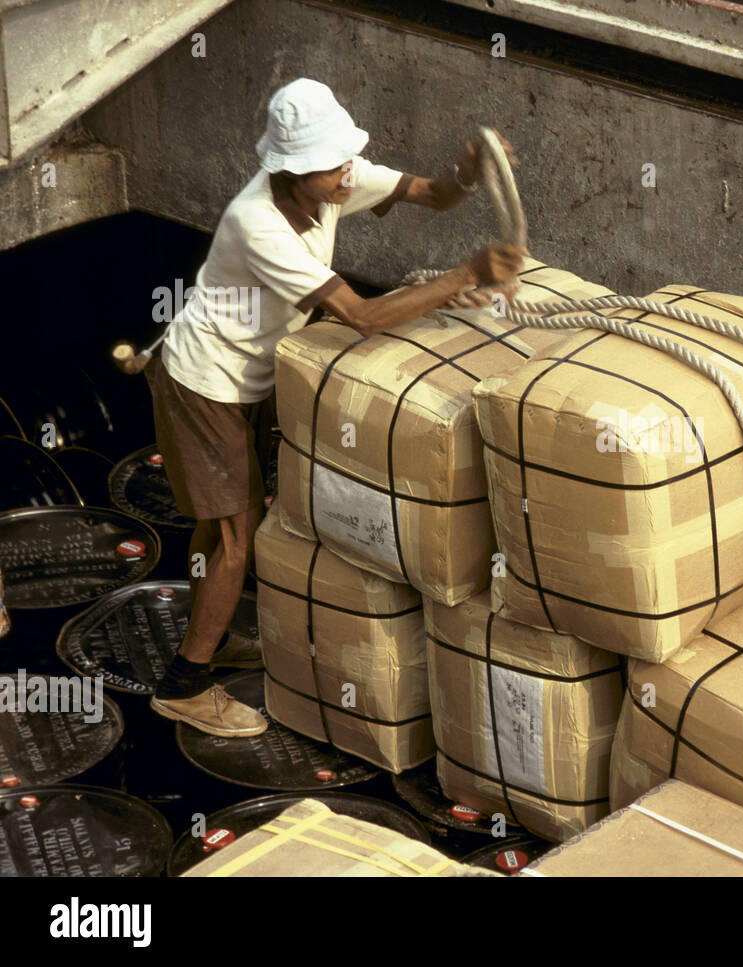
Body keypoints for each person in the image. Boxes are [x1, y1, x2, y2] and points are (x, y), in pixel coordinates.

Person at [147, 78, 526, 736]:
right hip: (203, 382)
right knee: (237, 536)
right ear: (294, 173)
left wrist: (465, 174)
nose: (348, 171)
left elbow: (431, 195)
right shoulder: (257, 222)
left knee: (228, 527)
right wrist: (464, 276)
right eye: (333, 164)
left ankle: (207, 632)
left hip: (249, 376)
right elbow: (362, 316)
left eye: (347, 157)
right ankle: (185, 683)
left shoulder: (334, 183)